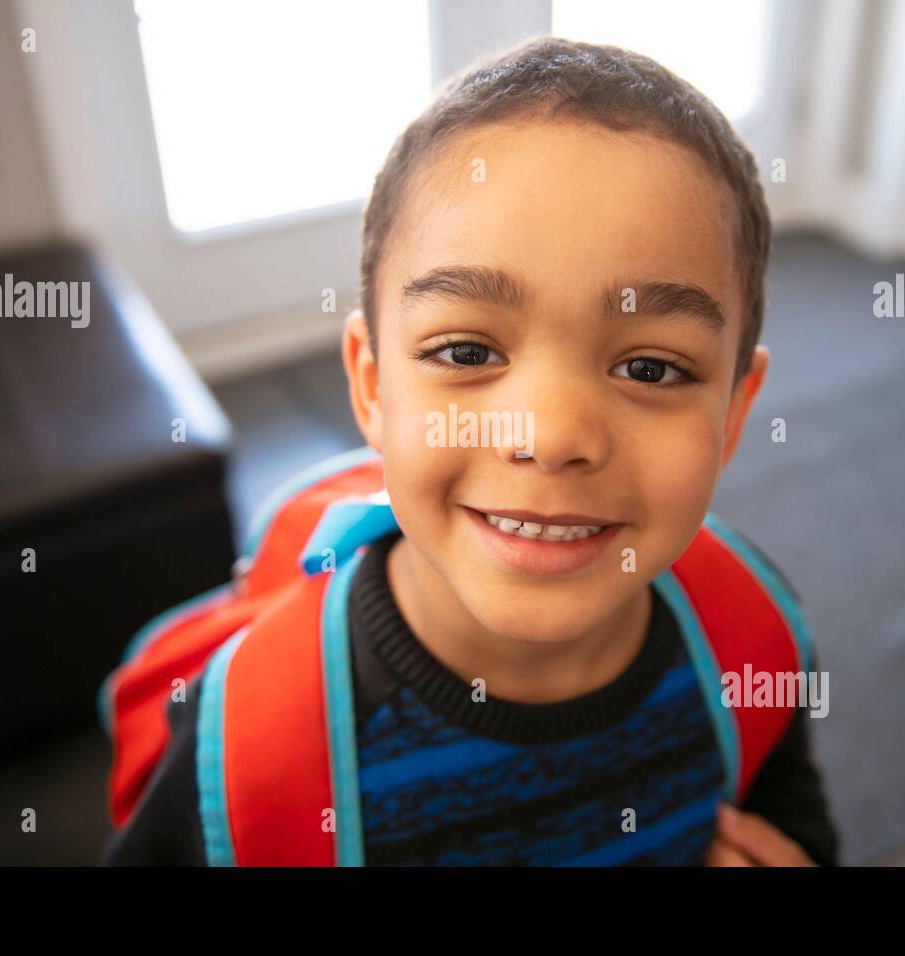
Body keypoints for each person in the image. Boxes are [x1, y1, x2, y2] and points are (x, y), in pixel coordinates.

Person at [103, 36, 840, 867]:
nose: (550, 437)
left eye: (650, 367)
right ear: (374, 389)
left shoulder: (752, 630)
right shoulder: (252, 749)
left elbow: (791, 824)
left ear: (734, 414)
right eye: (466, 353)